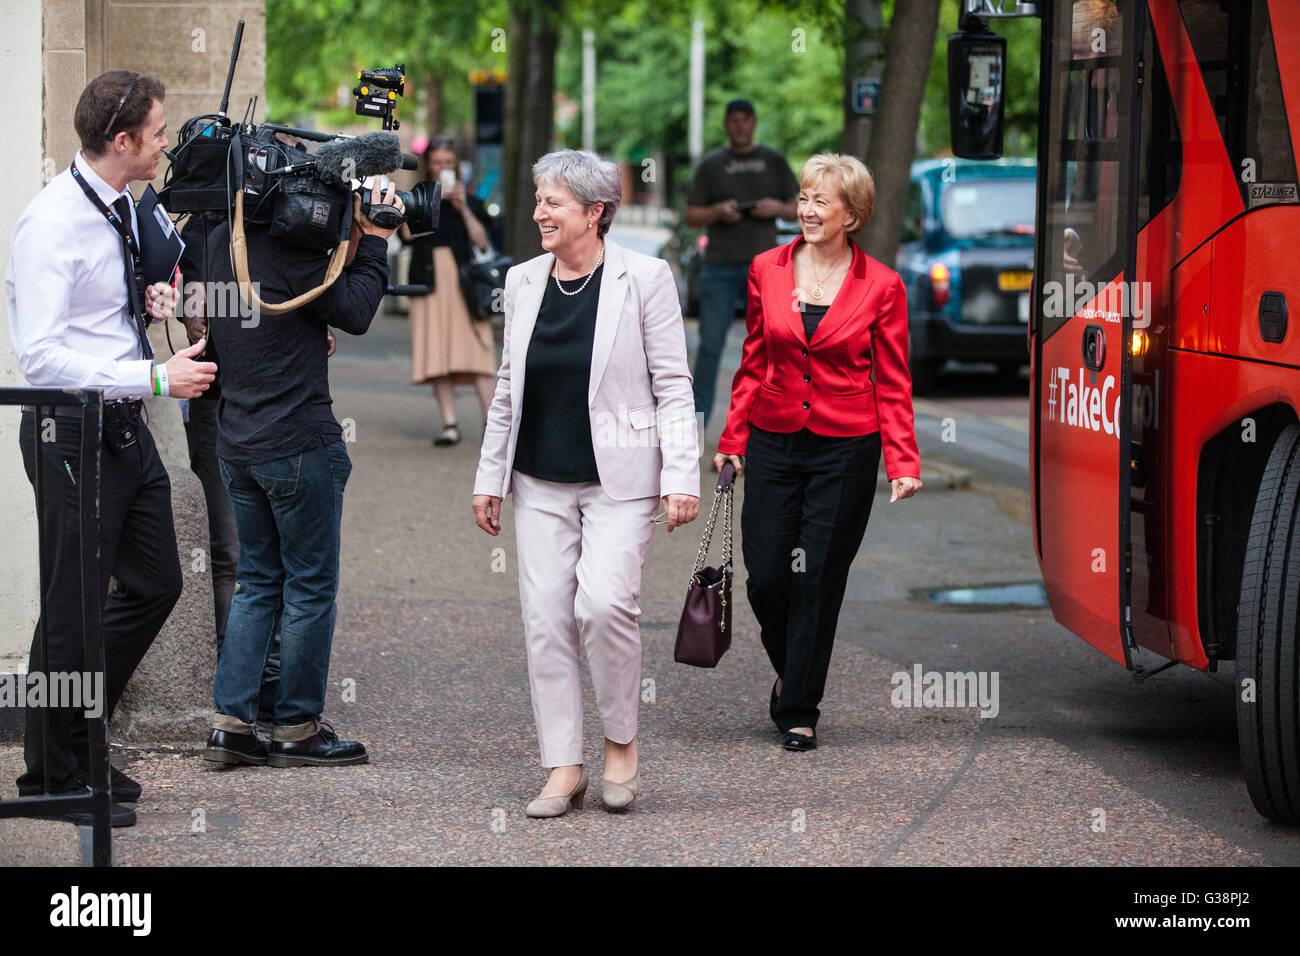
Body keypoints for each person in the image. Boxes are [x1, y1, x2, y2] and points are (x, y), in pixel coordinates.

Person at [6, 71, 218, 827]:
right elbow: (42, 356)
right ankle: (51, 778)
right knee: (70, 610)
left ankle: (79, 735)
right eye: (159, 133)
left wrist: (148, 301)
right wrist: (156, 375)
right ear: (124, 141)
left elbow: (101, 312)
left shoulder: (124, 204)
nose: (166, 143)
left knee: (158, 581)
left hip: (124, 429)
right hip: (73, 433)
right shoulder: (52, 223)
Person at [472, 149, 700, 817]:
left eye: (554, 202)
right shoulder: (521, 282)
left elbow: (673, 385)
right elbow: (509, 386)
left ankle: (620, 743)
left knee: (602, 607)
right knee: (545, 620)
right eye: (539, 200)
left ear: (594, 213)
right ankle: (563, 765)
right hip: (539, 477)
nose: (539, 212)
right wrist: (489, 475)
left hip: (620, 479)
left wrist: (681, 473)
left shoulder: (646, 278)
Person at [714, 154, 922, 752]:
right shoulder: (766, 269)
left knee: (818, 580)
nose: (806, 210)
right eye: (803, 197)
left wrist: (902, 461)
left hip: (847, 449)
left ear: (850, 214)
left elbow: (894, 378)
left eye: (820, 201)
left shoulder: (882, 285)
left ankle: (800, 704)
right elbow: (753, 360)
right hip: (773, 440)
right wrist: (733, 443)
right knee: (768, 577)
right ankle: (794, 667)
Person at [200, 180, 404, 769]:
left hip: (237, 442)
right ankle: (295, 728)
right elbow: (358, 311)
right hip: (297, 443)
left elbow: (248, 330)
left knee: (257, 581)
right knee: (310, 586)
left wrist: (309, 332)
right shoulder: (299, 246)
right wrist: (375, 240)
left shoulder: (221, 241)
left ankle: (232, 726)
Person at [684, 98, 799, 429]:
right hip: (719, 266)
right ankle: (696, 429)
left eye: (745, 119)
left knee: (768, 346)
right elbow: (691, 215)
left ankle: (764, 425)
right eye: (733, 120)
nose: (739, 126)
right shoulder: (711, 165)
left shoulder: (773, 161)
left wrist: (774, 208)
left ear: (754, 123)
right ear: (726, 124)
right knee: (710, 347)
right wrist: (718, 212)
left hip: (764, 268)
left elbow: (797, 207)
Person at [400, 138, 501, 446]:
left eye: (448, 162)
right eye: (438, 162)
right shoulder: (415, 198)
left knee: (479, 351)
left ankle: (492, 424)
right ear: (428, 165)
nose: (443, 168)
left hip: (463, 282)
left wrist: (462, 208)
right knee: (438, 353)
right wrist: (432, 201)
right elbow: (407, 235)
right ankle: (449, 424)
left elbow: (483, 242)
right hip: (429, 279)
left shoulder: (469, 200)